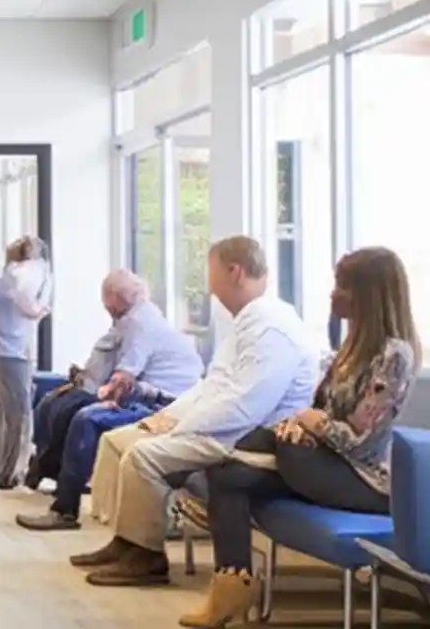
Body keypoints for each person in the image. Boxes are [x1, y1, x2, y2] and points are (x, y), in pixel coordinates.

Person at [178, 247, 419, 628]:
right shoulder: (349, 349)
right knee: (226, 476)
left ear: (367, 293)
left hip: (363, 480)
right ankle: (231, 588)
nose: (332, 294)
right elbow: (318, 408)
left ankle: (235, 457)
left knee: (271, 449)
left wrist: (306, 423)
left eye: (342, 286)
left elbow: (358, 440)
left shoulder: (395, 356)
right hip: (322, 462)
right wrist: (294, 424)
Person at [70, 236, 320, 586]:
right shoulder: (248, 321)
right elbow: (212, 384)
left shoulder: (272, 325)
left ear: (234, 272)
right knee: (118, 439)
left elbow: (247, 404)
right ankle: (126, 542)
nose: (208, 285)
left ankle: (147, 557)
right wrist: (170, 416)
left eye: (211, 272)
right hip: (224, 425)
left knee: (144, 457)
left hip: (247, 437)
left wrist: (181, 428)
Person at [17, 269, 203, 531]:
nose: (106, 307)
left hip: (166, 407)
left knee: (86, 417)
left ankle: (65, 509)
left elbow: (125, 376)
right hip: (154, 397)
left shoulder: (140, 323)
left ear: (115, 298)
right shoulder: (138, 318)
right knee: (65, 405)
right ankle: (57, 479)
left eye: (106, 301)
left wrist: (105, 394)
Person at [0, 235, 53, 490]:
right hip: (13, 355)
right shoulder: (17, 285)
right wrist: (43, 309)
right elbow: (30, 310)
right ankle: (11, 473)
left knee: (3, 412)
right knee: (20, 415)